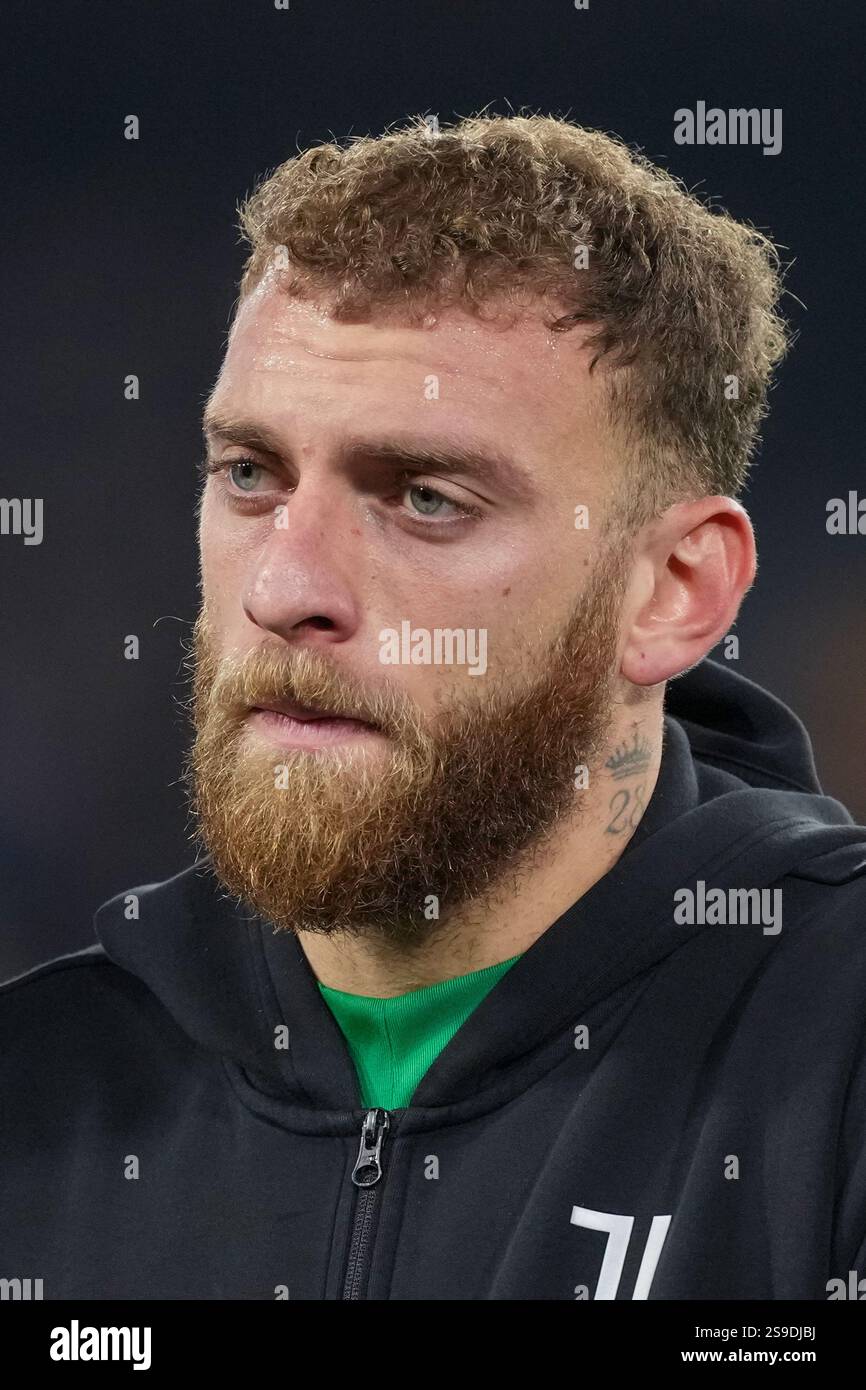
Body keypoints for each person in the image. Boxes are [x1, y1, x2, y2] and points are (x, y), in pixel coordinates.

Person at [3, 113, 865, 1301]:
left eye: (422, 497)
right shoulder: (38, 1094)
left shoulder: (834, 1048)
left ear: (671, 591)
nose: (284, 587)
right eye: (249, 475)